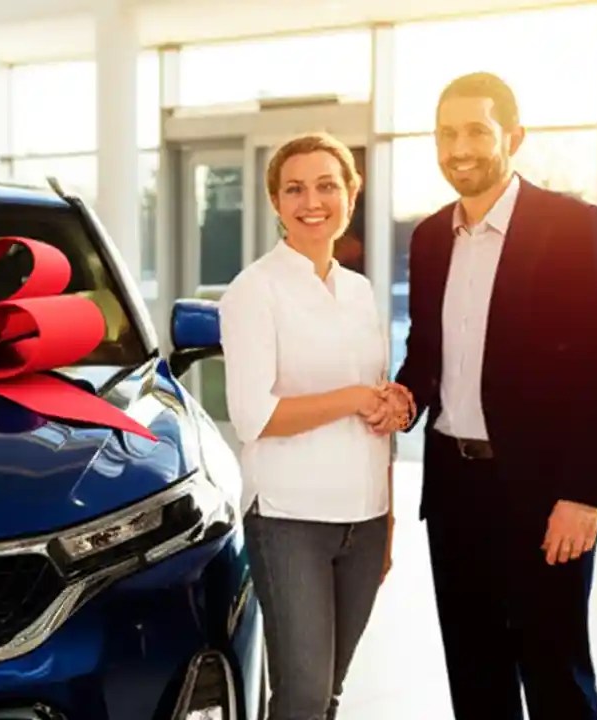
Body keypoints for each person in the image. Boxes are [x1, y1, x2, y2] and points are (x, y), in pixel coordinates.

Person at [382, 72, 597, 720]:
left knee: (555, 676)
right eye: (445, 133)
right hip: (456, 491)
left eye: (475, 131)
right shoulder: (432, 236)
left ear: (513, 137)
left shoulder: (573, 227)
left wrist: (585, 494)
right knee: (475, 675)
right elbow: (429, 350)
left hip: (545, 491)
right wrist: (403, 398)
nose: (458, 148)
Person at [220, 132, 404, 720]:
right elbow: (255, 416)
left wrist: (389, 512)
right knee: (299, 698)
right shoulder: (254, 291)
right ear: (276, 202)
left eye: (327, 185)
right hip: (290, 520)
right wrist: (353, 397)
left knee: (328, 693)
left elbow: (375, 411)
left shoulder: (360, 291)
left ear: (352, 192)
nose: (312, 201)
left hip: (366, 520)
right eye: (294, 188)